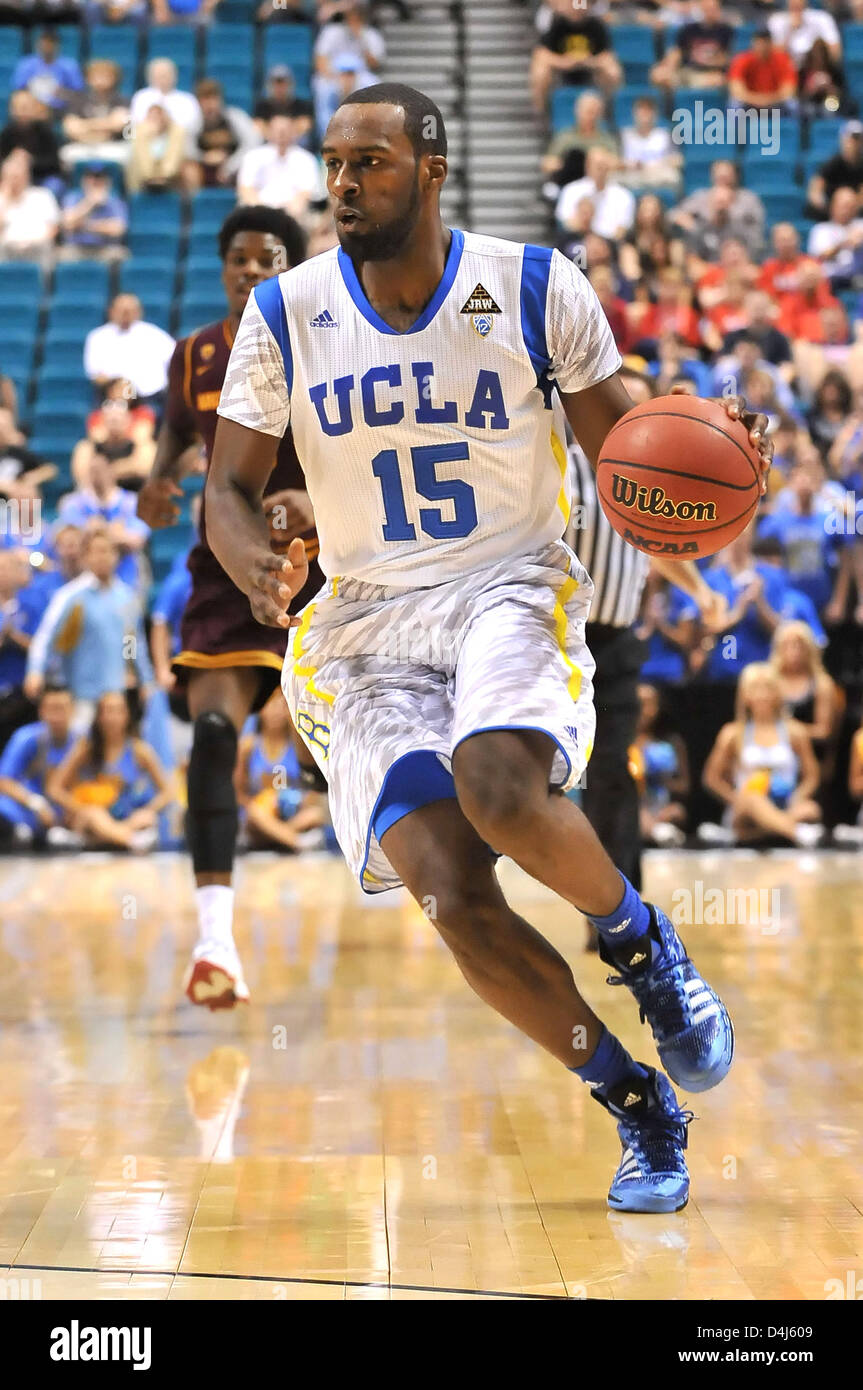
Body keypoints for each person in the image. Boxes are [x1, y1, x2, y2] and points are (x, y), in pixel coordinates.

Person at [208, 83, 774, 1214]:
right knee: (451, 894)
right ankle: (636, 1105)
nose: (342, 182)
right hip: (359, 622)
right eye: (331, 163)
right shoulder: (283, 312)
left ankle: (641, 943)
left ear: (430, 169)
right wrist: (251, 563)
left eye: (368, 162)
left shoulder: (530, 287)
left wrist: (708, 460)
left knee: (498, 785)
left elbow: (628, 457)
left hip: (504, 586)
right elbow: (226, 489)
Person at [135, 205, 321, 1012]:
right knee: (213, 737)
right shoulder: (194, 354)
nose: (250, 270)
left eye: (267, 258)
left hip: (328, 562)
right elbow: (178, 436)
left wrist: (308, 497)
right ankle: (215, 937)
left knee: (349, 742)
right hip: (227, 562)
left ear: (290, 268)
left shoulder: (326, 339)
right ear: (223, 269)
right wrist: (159, 476)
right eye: (238, 259)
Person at [24, 528, 153, 727]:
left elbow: (133, 643)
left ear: (116, 556)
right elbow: (45, 638)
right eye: (97, 551)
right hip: (80, 694)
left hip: (114, 695)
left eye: (108, 551)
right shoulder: (70, 596)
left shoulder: (126, 597)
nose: (103, 557)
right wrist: (35, 671)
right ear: (86, 557)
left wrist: (143, 679)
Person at [701, 662, 823, 847]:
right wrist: (736, 799)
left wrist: (798, 796)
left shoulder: (795, 732)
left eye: (768, 688)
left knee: (811, 810)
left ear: (777, 692)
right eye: (755, 689)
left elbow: (812, 776)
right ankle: (796, 832)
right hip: (748, 806)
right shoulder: (733, 733)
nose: (762, 695)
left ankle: (760, 832)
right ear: (745, 695)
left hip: (786, 802)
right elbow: (711, 778)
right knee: (753, 800)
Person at [46, 689, 172, 851]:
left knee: (147, 818)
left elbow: (167, 792)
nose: (112, 718)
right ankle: (131, 841)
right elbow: (54, 788)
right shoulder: (85, 749)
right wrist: (78, 807)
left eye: (118, 711)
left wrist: (147, 810)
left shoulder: (140, 751)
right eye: (108, 711)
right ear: (99, 717)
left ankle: (118, 836)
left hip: (128, 818)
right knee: (94, 815)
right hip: (92, 818)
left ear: (127, 715)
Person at [236, 688, 327, 851]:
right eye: (270, 704)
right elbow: (239, 793)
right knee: (255, 813)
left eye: (280, 704)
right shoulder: (248, 747)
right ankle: (296, 842)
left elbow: (313, 788)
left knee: (315, 815)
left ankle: (279, 837)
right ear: (260, 708)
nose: (276, 710)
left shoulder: (299, 745)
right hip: (260, 816)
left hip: (293, 813)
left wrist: (283, 821)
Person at [0, 681, 76, 845]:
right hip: (27, 809)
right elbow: (4, 781)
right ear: (41, 711)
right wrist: (36, 803)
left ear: (73, 710)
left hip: (67, 810)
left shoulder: (82, 741)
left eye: (61, 708)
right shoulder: (26, 737)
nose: (56, 716)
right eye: (51, 709)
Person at [84, 295, 175, 408]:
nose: (125, 314)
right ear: (111, 311)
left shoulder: (156, 335)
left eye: (129, 310)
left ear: (139, 312)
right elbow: (95, 375)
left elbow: (176, 362)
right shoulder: (97, 337)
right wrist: (120, 387)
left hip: (151, 398)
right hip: (112, 399)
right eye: (121, 310)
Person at [530, 0, 622, 112]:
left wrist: (589, 61)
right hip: (562, 68)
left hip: (590, 67)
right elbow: (541, 53)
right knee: (540, 71)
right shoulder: (557, 24)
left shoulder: (596, 26)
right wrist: (566, 62)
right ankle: (542, 111)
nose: (577, 8)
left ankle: (610, 110)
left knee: (613, 71)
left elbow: (607, 55)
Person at [630, 683, 689, 849]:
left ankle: (659, 829)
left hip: (662, 807)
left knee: (678, 811)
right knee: (633, 813)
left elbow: (684, 785)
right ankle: (657, 831)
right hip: (632, 807)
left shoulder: (671, 743)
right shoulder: (618, 745)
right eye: (639, 703)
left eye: (649, 704)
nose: (643, 710)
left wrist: (660, 780)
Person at [237, 114, 326, 222]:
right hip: (258, 212)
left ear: (293, 132)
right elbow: (246, 189)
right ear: (269, 132)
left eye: (285, 130)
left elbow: (306, 192)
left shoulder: (306, 159)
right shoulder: (253, 156)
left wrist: (289, 213)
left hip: (294, 215)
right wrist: (261, 211)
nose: (281, 134)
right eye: (277, 130)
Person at [59, 59, 130, 172]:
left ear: (114, 78)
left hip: (112, 146)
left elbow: (119, 125)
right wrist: (106, 124)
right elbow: (70, 128)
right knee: (66, 154)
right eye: (96, 75)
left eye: (105, 75)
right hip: (83, 145)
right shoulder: (78, 100)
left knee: (126, 155)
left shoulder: (123, 101)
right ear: (88, 79)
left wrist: (85, 125)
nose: (100, 80)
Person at [650, 0, 734, 91]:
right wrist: (668, 68)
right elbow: (677, 51)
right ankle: (671, 103)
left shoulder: (726, 31)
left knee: (717, 80)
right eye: (707, 9)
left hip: (711, 74)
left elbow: (727, 59)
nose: (709, 12)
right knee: (658, 75)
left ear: (718, 9)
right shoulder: (689, 29)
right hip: (688, 72)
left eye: (712, 9)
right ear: (701, 9)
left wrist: (713, 61)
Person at [59, 162, 127, 261]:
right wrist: (90, 203)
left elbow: (118, 229)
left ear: (106, 181)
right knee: (62, 256)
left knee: (121, 255)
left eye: (99, 178)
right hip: (76, 248)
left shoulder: (114, 200)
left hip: (106, 248)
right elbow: (67, 224)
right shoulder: (72, 197)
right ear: (84, 181)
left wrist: (85, 226)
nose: (95, 181)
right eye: (91, 178)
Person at [0, 149, 59, 264]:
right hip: (7, 248)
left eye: (18, 175)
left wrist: (32, 243)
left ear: (26, 175)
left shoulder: (42, 195)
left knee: (46, 248)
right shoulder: (2, 199)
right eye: (11, 176)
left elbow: (53, 229)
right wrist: (6, 198)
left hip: (37, 246)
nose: (15, 180)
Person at [11, 25, 83, 113]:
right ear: (38, 44)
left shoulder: (69, 65)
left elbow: (79, 95)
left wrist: (62, 93)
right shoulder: (26, 64)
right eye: (44, 43)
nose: (47, 47)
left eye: (50, 43)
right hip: (32, 110)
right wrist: (32, 90)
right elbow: (17, 91)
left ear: (57, 45)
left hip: (60, 109)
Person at [0, 88, 62, 187]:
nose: (22, 112)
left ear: (34, 108)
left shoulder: (45, 131)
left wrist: (29, 160)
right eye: (18, 107)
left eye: (26, 107)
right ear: (11, 109)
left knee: (54, 185)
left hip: (41, 177)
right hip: (12, 180)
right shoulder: (6, 133)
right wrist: (13, 161)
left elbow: (54, 164)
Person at [126, 100, 189, 195]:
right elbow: (143, 166)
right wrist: (148, 136)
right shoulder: (139, 132)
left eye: (159, 115)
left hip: (170, 179)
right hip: (143, 179)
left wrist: (164, 176)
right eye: (152, 116)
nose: (156, 119)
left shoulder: (177, 132)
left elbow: (173, 164)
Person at [726, 27, 798, 109]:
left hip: (775, 103)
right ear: (753, 43)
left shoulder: (782, 59)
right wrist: (758, 100)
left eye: (765, 43)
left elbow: (789, 90)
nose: (762, 47)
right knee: (735, 104)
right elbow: (736, 90)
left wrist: (768, 100)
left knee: (792, 104)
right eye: (759, 43)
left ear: (771, 43)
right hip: (750, 103)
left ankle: (796, 122)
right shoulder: (742, 59)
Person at [129, 59, 202, 140]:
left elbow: (196, 128)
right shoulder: (141, 97)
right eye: (158, 75)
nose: (162, 79)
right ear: (150, 77)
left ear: (174, 76)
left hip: (180, 143)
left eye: (166, 75)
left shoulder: (187, 99)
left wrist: (168, 124)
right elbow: (133, 125)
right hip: (148, 141)